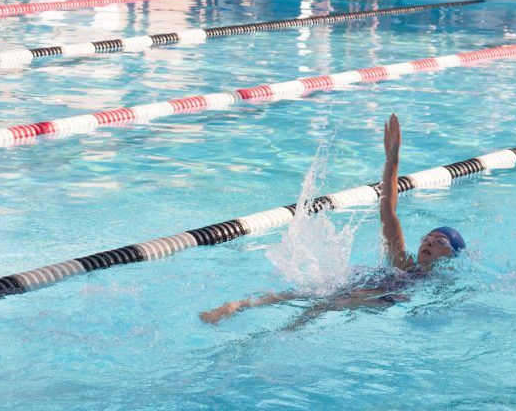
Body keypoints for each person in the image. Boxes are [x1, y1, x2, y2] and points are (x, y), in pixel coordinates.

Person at [199, 114, 465, 326]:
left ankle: (280, 335)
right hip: (361, 286)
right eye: (427, 238)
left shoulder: (441, 282)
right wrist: (391, 160)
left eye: (440, 241)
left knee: (322, 306)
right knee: (304, 292)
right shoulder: (402, 263)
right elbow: (388, 211)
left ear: (453, 254)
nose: (429, 242)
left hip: (379, 299)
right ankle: (237, 306)